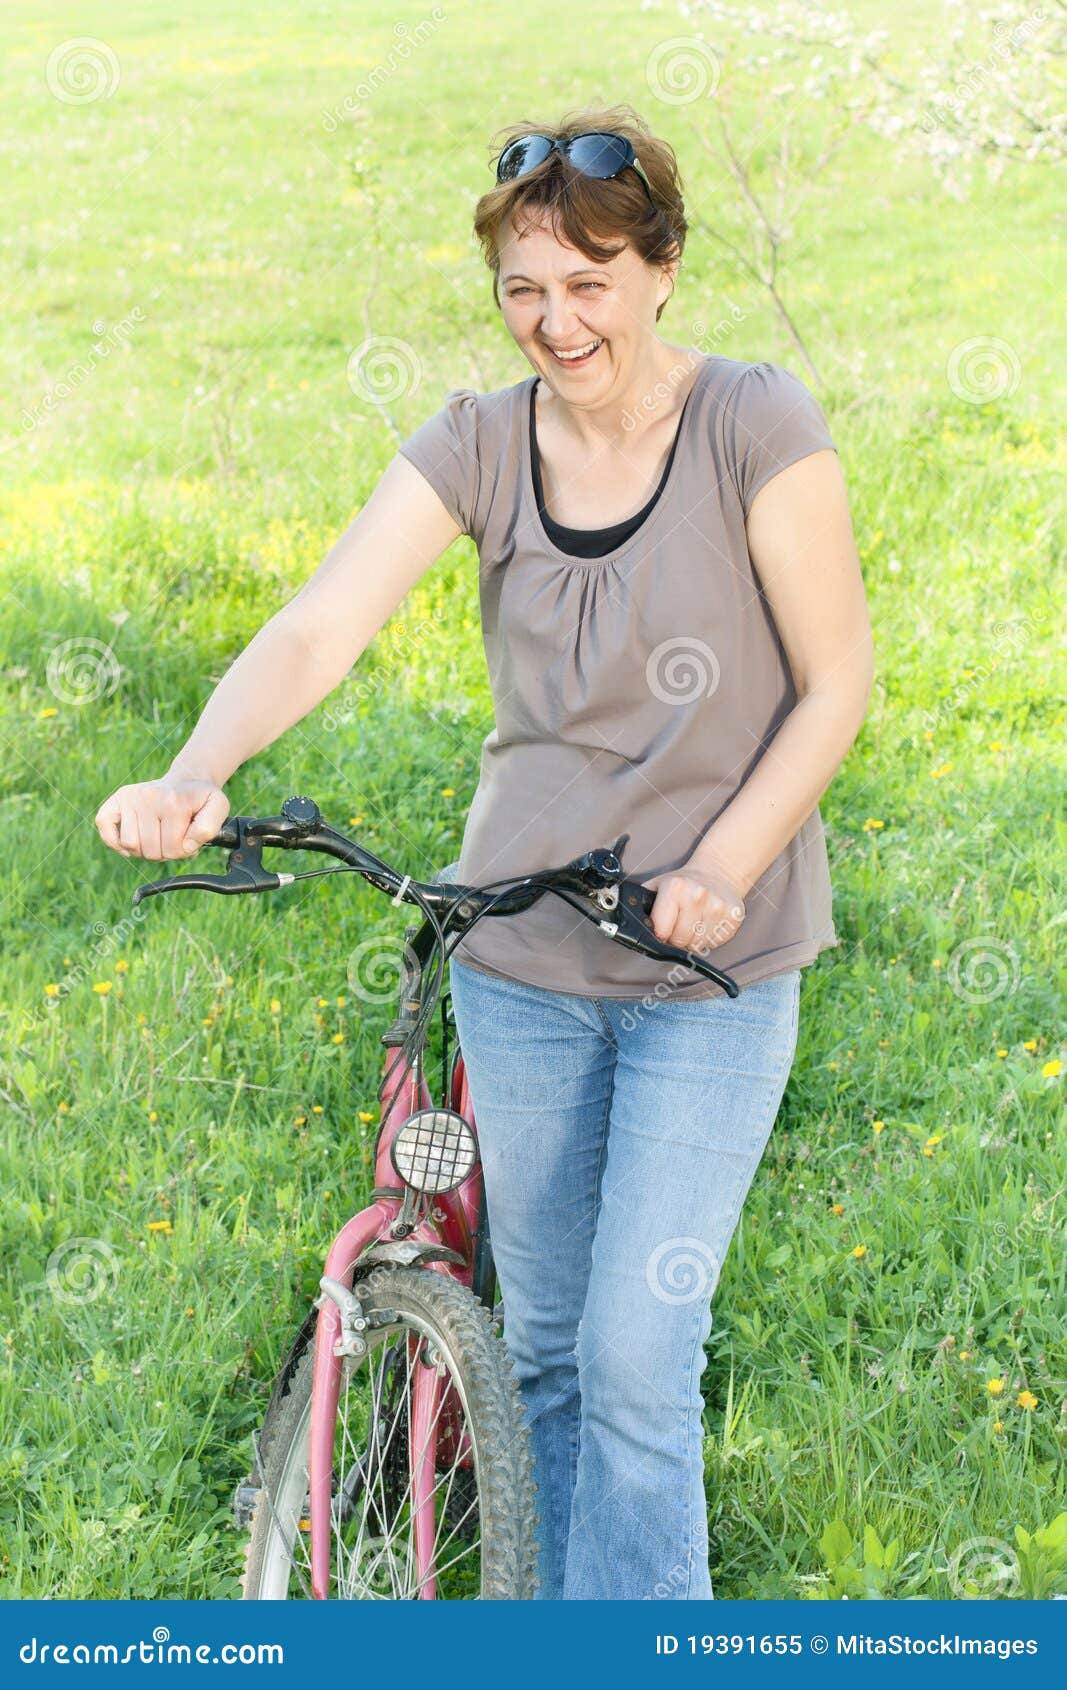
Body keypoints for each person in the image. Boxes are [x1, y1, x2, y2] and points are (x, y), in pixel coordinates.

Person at [95, 103, 873, 1601]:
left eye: (590, 282)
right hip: (519, 960)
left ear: (661, 268)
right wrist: (198, 767)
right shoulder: (479, 441)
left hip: (711, 968)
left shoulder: (754, 425)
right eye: (525, 288)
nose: (557, 321)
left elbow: (836, 681)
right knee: (553, 1351)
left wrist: (725, 862)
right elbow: (321, 623)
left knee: (638, 1353)